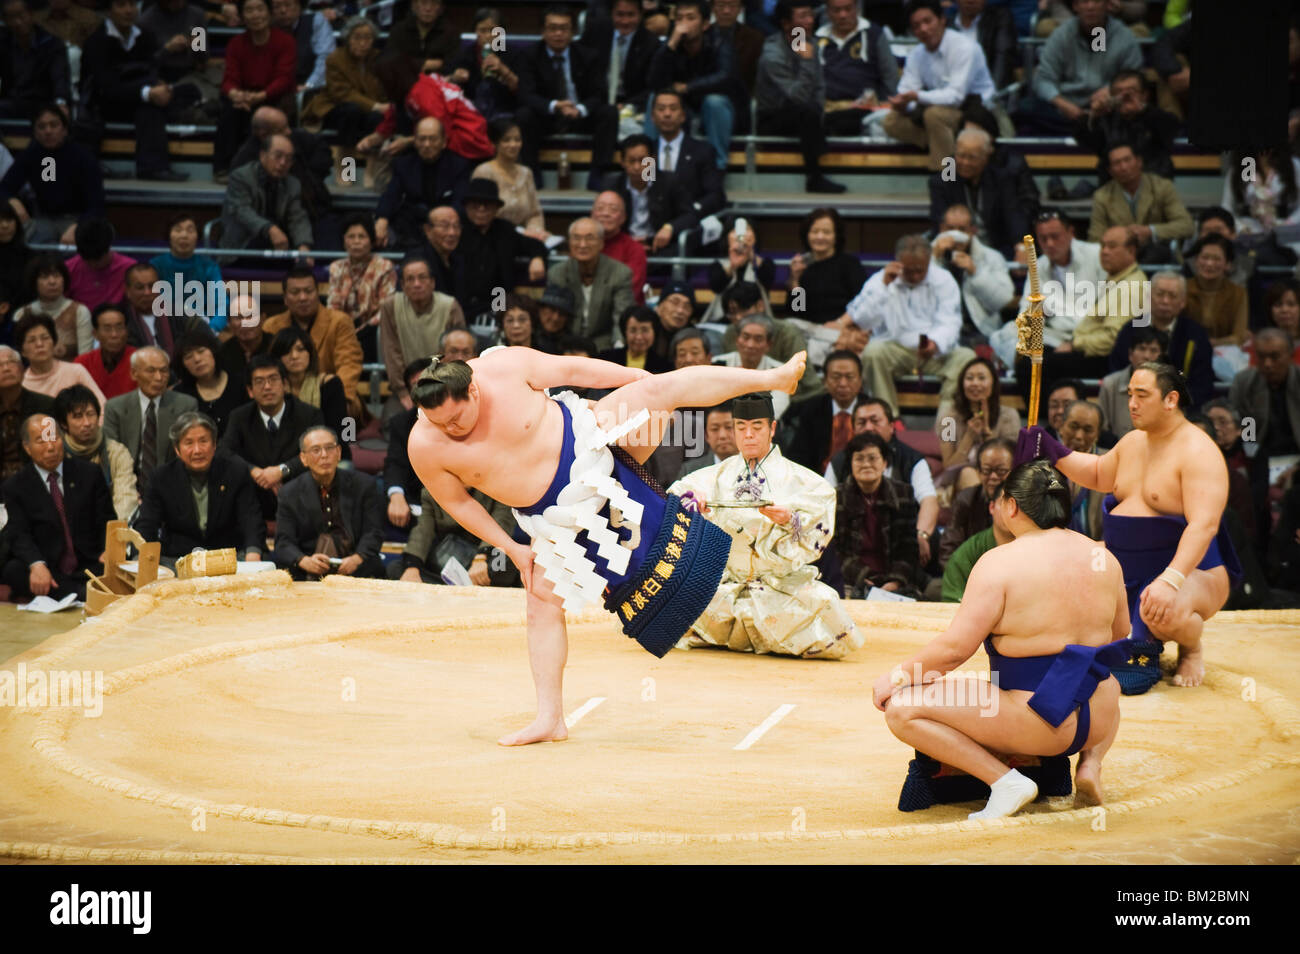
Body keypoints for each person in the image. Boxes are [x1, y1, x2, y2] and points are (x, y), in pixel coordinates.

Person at [408, 346, 807, 744]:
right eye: (437, 421)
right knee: (541, 603)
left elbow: (574, 368)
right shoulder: (424, 444)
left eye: (456, 419)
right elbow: (456, 502)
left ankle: (773, 378)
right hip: (554, 521)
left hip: (598, 446)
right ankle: (550, 718)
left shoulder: (503, 367)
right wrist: (512, 548)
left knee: (659, 388)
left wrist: (628, 377)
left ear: (473, 391)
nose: (449, 429)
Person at [874, 459, 1131, 817]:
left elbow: (954, 650)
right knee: (1101, 675)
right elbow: (1120, 634)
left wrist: (896, 676)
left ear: (1011, 506)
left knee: (903, 708)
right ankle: (1090, 765)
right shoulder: (1103, 557)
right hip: (1099, 718)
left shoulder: (1000, 563)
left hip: (1040, 721)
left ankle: (1006, 782)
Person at [1025, 362, 1243, 692]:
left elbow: (1204, 525)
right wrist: (1055, 452)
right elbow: (1099, 474)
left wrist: (1171, 580)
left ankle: (1190, 646)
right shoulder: (1132, 442)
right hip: (1125, 563)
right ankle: (1130, 640)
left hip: (1191, 571)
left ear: (1170, 400)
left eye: (1142, 395)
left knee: (1164, 610)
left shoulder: (1199, 452)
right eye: (1129, 394)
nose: (1132, 403)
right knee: (1061, 578)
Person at [667, 390, 860, 655]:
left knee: (824, 603)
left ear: (772, 428)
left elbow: (821, 515)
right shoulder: (714, 476)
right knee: (670, 593)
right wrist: (692, 501)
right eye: (741, 427)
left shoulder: (804, 481)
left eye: (756, 427)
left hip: (778, 585)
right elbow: (675, 495)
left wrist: (791, 520)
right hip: (722, 584)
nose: (748, 434)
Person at [834, 234, 976, 416]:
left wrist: (935, 343)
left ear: (929, 261)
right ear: (898, 262)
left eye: (920, 270)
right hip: (897, 349)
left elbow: (951, 321)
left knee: (967, 357)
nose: (915, 276)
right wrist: (884, 287)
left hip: (936, 352)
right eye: (909, 270)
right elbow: (862, 320)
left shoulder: (944, 279)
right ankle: (887, 417)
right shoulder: (881, 280)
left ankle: (947, 418)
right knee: (873, 352)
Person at [1021, 226, 1148, 410]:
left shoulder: (1131, 287)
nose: (1104, 251)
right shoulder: (1117, 279)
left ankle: (1045, 420)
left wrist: (1074, 345)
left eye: (1112, 246)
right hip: (1087, 346)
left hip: (1102, 357)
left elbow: (1114, 339)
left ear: (1131, 250)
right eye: (1103, 246)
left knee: (1031, 365)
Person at [0, 413, 113, 601]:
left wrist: (109, 549)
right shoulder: (15, 486)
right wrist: (36, 564)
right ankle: (82, 593)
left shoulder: (89, 473)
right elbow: (18, 532)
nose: (51, 447)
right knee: (14, 570)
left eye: (54, 438)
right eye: (41, 441)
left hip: (89, 562)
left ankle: (75, 592)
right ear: (27, 447)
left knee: (122, 567)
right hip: (48, 566)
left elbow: (107, 519)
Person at [135, 411, 265, 569]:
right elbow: (147, 524)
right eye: (189, 443)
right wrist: (141, 558)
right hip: (178, 562)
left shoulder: (235, 471)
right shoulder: (160, 478)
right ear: (177, 449)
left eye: (203, 441)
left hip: (227, 560)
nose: (197, 450)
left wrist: (253, 552)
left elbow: (250, 517)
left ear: (214, 444)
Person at [79, 0, 191, 182]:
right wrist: (148, 92)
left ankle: (152, 169)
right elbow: (105, 88)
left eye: (132, 5)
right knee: (150, 102)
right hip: (102, 103)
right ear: (109, 10)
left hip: (140, 97)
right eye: (121, 5)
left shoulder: (145, 36)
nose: (128, 11)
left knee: (182, 93)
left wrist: (159, 86)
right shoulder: (96, 42)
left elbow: (153, 68)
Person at [882, 0, 995, 173]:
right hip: (938, 113)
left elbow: (956, 97)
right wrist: (904, 104)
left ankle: (946, 177)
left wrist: (917, 97)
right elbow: (906, 91)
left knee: (934, 116)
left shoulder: (964, 47)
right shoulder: (917, 55)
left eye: (928, 21)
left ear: (942, 19)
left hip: (977, 112)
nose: (923, 29)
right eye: (917, 26)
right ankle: (945, 146)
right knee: (891, 120)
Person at [514, 4, 618, 189]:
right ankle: (532, 175)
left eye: (564, 28)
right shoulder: (529, 55)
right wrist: (554, 106)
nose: (558, 34)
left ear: (572, 32)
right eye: (553, 28)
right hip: (547, 116)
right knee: (524, 115)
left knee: (609, 113)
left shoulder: (588, 55)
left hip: (579, 115)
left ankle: (598, 174)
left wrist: (580, 109)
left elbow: (599, 94)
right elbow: (526, 94)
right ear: (543, 31)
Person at [990, 209, 1103, 371]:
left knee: (1030, 358)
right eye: (1043, 239)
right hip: (1054, 334)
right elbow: (1025, 313)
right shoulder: (1038, 266)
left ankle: (1013, 364)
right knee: (1002, 335)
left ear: (1071, 233)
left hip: (1088, 333)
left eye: (1055, 237)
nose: (1049, 244)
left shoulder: (1096, 255)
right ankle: (1015, 362)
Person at [219, 353, 325, 520]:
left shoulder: (308, 414)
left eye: (273, 379)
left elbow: (318, 451)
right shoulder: (239, 417)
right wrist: (255, 472)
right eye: (259, 382)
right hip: (255, 495)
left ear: (284, 385)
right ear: (250, 391)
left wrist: (281, 471)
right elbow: (224, 452)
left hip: (298, 494)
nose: (267, 387)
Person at [646, 0, 747, 173]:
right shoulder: (672, 45)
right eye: (679, 19)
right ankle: (649, 168)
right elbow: (653, 82)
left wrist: (687, 87)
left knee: (714, 102)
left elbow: (726, 77)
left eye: (690, 18)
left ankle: (717, 168)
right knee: (655, 100)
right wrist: (671, 44)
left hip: (716, 110)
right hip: (685, 107)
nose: (683, 24)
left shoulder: (721, 43)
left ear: (705, 24)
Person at [755, 1, 845, 194]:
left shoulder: (806, 41)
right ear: (787, 23)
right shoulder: (773, 53)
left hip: (805, 113)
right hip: (772, 117)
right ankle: (814, 178)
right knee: (806, 112)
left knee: (844, 116)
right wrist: (806, 61)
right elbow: (798, 96)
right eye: (803, 16)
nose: (810, 21)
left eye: (811, 15)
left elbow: (819, 86)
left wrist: (820, 112)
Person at [275, 425, 384, 579]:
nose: (324, 455)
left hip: (355, 566)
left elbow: (374, 532)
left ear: (339, 453)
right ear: (303, 459)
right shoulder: (289, 492)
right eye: (316, 450)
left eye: (329, 448)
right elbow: (283, 542)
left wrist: (357, 558)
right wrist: (303, 560)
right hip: (309, 568)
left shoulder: (364, 485)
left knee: (374, 566)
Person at [1021, 0, 1142, 135]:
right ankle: (1086, 131)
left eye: (1096, 2)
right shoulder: (1062, 35)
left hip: (1106, 109)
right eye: (1084, 2)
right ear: (1075, 6)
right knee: (1027, 107)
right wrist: (1063, 104)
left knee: (1132, 113)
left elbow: (1134, 77)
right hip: (1067, 108)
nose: (1090, 7)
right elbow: (1043, 78)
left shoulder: (1123, 36)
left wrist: (1112, 89)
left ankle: (1087, 131)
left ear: (1107, 5)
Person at [263, 264, 364, 418]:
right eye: (295, 292)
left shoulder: (339, 321)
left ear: (318, 293)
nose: (303, 297)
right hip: (284, 393)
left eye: (308, 291)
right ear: (285, 298)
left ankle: (345, 440)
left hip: (328, 391)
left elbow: (349, 363)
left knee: (345, 414)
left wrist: (335, 394)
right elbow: (267, 366)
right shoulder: (272, 326)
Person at [212, 0, 296, 181]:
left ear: (269, 13)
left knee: (265, 116)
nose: (255, 15)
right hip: (245, 95)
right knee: (230, 110)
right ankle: (223, 169)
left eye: (260, 9)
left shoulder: (285, 41)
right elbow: (229, 79)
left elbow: (284, 78)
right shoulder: (236, 43)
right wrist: (235, 94)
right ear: (242, 17)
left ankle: (260, 170)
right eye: (249, 10)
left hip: (273, 95)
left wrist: (260, 96)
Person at [834, 430, 923, 598]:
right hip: (851, 579)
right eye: (859, 458)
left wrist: (895, 581)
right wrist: (863, 579)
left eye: (873, 458)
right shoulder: (836, 497)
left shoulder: (903, 494)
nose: (866, 464)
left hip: (894, 579)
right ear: (851, 464)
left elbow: (909, 548)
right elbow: (835, 551)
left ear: (885, 463)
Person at [1108, 273, 1214, 410]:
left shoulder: (1196, 335)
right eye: (1160, 294)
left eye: (1172, 296)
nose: (1165, 301)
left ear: (1183, 302)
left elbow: (1202, 383)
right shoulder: (1131, 329)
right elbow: (1117, 369)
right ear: (1148, 297)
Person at [0, 106, 103, 245]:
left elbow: (96, 205)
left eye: (53, 125)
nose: (47, 131)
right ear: (35, 132)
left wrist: (80, 225)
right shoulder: (30, 155)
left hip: (76, 219)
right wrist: (12, 200)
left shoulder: (83, 158)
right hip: (42, 220)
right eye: (41, 127)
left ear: (64, 129)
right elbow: (5, 187)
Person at [101, 346, 197, 497]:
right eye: (151, 371)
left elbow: (186, 454)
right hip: (127, 484)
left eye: (164, 370)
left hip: (172, 485)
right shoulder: (116, 407)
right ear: (134, 373)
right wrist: (129, 491)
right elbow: (111, 454)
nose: (159, 378)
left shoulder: (185, 405)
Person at [378, 257, 466, 411]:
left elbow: (460, 353)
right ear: (403, 285)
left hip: (445, 386)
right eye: (410, 279)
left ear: (432, 282)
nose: (416, 284)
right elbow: (391, 351)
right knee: (394, 420)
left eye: (422, 277)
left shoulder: (450, 305)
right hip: (405, 388)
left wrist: (447, 389)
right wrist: (403, 392)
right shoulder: (390, 306)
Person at [928, 128, 1028, 259]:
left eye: (972, 157)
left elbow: (1013, 215)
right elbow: (939, 219)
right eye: (961, 155)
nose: (965, 162)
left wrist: (1021, 245)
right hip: (957, 246)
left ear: (986, 157)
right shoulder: (945, 179)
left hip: (995, 247)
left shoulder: (1002, 178)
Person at [374, 116, 472, 249]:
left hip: (447, 224)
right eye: (422, 139)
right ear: (415, 142)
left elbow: (460, 202)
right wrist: (382, 219)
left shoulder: (459, 165)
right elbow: (391, 194)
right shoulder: (404, 164)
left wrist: (440, 223)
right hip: (413, 224)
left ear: (443, 142)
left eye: (432, 139)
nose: (426, 144)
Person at [1087, 143, 1193, 265]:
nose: (1123, 167)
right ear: (1110, 170)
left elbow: (1186, 226)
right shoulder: (1102, 196)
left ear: (1139, 161)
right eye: (1117, 163)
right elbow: (1095, 239)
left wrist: (1150, 231)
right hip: (1121, 261)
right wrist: (1123, 237)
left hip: (1160, 259)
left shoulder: (1162, 187)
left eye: (1127, 160)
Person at [458, 178, 548, 318]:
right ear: (466, 207)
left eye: (487, 205)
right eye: (476, 205)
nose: (481, 209)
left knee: (504, 317)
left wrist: (537, 258)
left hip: (497, 299)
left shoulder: (505, 230)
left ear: (496, 209)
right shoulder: (456, 231)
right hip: (463, 303)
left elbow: (534, 245)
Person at [395, 486, 517, 585]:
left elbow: (502, 525)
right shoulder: (432, 491)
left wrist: (481, 557)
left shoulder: (497, 486)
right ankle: (454, 587)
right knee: (397, 568)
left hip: (490, 551)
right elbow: (422, 531)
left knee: (501, 566)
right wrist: (413, 567)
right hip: (450, 559)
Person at [301, 16, 386, 158]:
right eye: (357, 38)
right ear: (347, 38)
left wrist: (380, 107)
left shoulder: (379, 58)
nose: (363, 43)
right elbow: (342, 94)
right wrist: (375, 105)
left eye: (368, 38)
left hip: (369, 107)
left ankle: (370, 164)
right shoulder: (335, 58)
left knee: (376, 117)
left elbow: (382, 91)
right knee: (352, 111)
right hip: (336, 107)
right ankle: (347, 165)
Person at [644, 89, 728, 232]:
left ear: (683, 116)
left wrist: (690, 213)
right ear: (652, 117)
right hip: (654, 228)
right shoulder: (648, 153)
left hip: (691, 226)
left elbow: (715, 195)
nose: (667, 114)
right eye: (661, 109)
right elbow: (647, 188)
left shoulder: (702, 151)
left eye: (673, 108)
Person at [545, 218, 635, 351]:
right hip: (567, 346)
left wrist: (618, 347)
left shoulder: (620, 273)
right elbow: (554, 319)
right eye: (576, 238)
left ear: (601, 243)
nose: (582, 244)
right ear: (569, 242)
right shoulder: (557, 273)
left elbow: (620, 318)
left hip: (604, 346)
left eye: (589, 238)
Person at [1076, 69, 1179, 184]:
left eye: (1131, 91)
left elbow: (1171, 130)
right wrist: (1094, 114)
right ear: (1111, 95)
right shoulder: (1104, 120)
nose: (1125, 96)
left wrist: (1143, 111)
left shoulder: (1157, 117)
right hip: (1114, 189)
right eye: (1119, 92)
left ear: (1144, 95)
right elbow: (1085, 140)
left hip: (1155, 185)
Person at [930, 202, 1014, 343]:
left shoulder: (992, 257)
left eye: (962, 230)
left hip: (980, 332)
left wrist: (975, 273)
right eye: (950, 229)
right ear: (941, 229)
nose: (955, 235)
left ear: (972, 231)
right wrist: (934, 260)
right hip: (937, 331)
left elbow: (1003, 301)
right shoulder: (925, 257)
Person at [54, 383, 137, 521]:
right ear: (63, 423)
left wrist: (111, 532)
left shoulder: (116, 452)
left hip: (109, 527)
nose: (87, 423)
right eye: (78, 416)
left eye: (90, 414)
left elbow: (126, 499)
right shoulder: (55, 455)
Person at [220, 134, 314, 254]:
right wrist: (270, 229)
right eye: (278, 156)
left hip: (277, 244)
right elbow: (242, 211)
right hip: (242, 243)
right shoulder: (241, 177)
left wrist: (304, 244)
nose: (283, 163)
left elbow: (297, 217)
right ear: (262, 155)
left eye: (289, 159)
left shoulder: (292, 184)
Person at [936, 356, 1021, 491]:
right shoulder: (948, 419)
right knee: (968, 473)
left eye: (981, 378)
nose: (975, 383)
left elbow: (1010, 463)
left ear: (993, 383)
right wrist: (969, 436)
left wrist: (987, 433)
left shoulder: (1009, 416)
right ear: (962, 383)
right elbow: (949, 466)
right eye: (969, 378)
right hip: (956, 482)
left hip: (999, 480)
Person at [816, 0, 899, 135]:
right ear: (827, 12)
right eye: (836, 10)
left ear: (857, 8)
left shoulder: (874, 33)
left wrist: (887, 106)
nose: (842, 15)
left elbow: (890, 74)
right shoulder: (817, 37)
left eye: (848, 9)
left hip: (864, 109)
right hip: (827, 108)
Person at [603, 133, 697, 250]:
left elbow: (690, 215)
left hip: (660, 246)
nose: (637, 167)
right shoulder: (613, 185)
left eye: (643, 160)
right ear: (622, 162)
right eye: (631, 161)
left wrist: (669, 228)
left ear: (653, 159)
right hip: (623, 246)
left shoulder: (669, 182)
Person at [268, 326, 350, 460]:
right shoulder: (271, 389)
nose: (294, 356)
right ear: (277, 357)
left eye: (300, 349)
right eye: (287, 351)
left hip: (327, 457)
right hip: (283, 460)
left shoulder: (329, 384)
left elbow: (341, 431)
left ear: (310, 353)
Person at [326, 213, 397, 364]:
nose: (356, 242)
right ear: (344, 242)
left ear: (371, 241)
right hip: (344, 329)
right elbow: (333, 306)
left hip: (372, 330)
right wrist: (345, 330)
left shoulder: (385, 267)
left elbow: (386, 309)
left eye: (361, 236)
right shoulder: (336, 267)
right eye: (351, 237)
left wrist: (360, 332)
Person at [1228, 329, 1300, 475]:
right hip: (1259, 458)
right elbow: (1244, 428)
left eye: (1275, 357)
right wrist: (1251, 460)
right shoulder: (1244, 384)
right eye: (1261, 357)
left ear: (1290, 355)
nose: (1267, 364)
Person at [937, 435, 1013, 570]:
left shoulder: (1025, 504)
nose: (993, 477)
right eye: (986, 471)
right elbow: (948, 551)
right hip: (970, 575)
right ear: (978, 472)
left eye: (1001, 471)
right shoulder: (966, 499)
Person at [786, 207, 867, 327]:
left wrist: (839, 324)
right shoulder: (802, 267)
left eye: (826, 232)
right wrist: (795, 281)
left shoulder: (850, 264)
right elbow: (798, 312)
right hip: (809, 330)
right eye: (814, 231)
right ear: (807, 235)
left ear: (836, 236)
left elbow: (862, 304)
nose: (820, 237)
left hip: (841, 330)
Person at [148, 214, 228, 333]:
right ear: (169, 235)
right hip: (163, 327)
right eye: (178, 230)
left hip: (200, 326)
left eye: (190, 230)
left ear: (197, 236)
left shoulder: (209, 267)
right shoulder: (155, 266)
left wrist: (212, 329)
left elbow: (221, 304)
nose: (184, 235)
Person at [578, 0, 659, 112]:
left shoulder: (651, 44)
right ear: (611, 13)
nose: (625, 21)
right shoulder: (596, 31)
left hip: (632, 104)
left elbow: (652, 86)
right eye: (620, 14)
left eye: (631, 15)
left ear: (641, 15)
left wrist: (629, 105)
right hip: (596, 101)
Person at [472, 117, 547, 237]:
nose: (513, 145)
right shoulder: (484, 172)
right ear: (495, 143)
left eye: (517, 140)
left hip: (524, 238)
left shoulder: (526, 173)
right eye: (506, 140)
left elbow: (535, 213)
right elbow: (479, 215)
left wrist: (535, 231)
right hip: (493, 239)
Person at [0, 0, 72, 121]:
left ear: (31, 15)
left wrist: (61, 102)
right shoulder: (3, 42)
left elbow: (59, 78)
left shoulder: (52, 44)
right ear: (5, 21)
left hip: (41, 103)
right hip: (10, 102)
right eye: (11, 18)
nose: (17, 22)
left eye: (21, 16)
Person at [14, 312, 105, 406]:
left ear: (54, 343)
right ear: (22, 351)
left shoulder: (75, 371)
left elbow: (102, 406)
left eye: (45, 338)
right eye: (32, 340)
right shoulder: (22, 384)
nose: (39, 344)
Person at [446, 7, 521, 122]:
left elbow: (523, 90)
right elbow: (444, 83)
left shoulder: (513, 53)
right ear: (475, 32)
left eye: (492, 30)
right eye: (482, 30)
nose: (487, 36)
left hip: (506, 111)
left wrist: (504, 70)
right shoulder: (464, 55)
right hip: (471, 111)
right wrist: (454, 78)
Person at [14, 254, 92, 359]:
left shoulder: (80, 312)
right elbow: (18, 357)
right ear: (34, 282)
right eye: (44, 277)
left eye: (57, 276)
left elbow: (85, 357)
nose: (52, 282)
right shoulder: (21, 314)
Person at [174, 331, 246, 437]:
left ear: (213, 352)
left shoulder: (241, 383)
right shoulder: (180, 395)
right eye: (188, 356)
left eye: (201, 351)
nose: (197, 359)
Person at [0, 345, 55, 480]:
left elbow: (51, 451)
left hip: (36, 482)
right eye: (0, 365)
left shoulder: (46, 405)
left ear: (22, 369)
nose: (6, 368)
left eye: (11, 362)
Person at [1184, 235, 1249, 349]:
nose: (1209, 264)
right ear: (1196, 261)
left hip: (1225, 353)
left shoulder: (1238, 293)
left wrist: (1212, 343)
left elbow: (1238, 336)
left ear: (1228, 264)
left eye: (1216, 259)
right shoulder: (1183, 289)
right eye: (1205, 257)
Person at [703, 224, 776, 323]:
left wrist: (751, 255)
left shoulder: (764, 262)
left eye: (747, 229)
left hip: (757, 321)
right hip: (724, 319)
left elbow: (767, 280)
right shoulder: (719, 264)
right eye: (735, 230)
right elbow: (716, 286)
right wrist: (732, 265)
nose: (741, 236)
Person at [1098, 326, 1163, 438]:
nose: (1147, 356)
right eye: (1142, 349)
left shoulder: (1169, 387)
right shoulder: (1110, 384)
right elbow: (1102, 428)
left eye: (1153, 350)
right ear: (1131, 354)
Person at [65, 218, 136, 314]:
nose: (94, 264)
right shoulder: (68, 269)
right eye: (88, 259)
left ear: (109, 247)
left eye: (98, 259)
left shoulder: (131, 269)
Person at [1059, 399, 1105, 539]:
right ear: (1061, 427)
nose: (1079, 436)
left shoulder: (1108, 464)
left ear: (1097, 434)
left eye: (1088, 430)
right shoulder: (1043, 463)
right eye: (1073, 426)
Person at [590, 191, 646, 301]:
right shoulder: (583, 246)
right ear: (591, 214)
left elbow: (629, 289)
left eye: (613, 209)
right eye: (600, 208)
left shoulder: (634, 249)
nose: (606, 214)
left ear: (623, 217)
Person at [270, 0, 334, 95]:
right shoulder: (266, 27)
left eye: (288, 5)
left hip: (311, 86)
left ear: (299, 6)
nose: (283, 10)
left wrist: (309, 85)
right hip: (275, 88)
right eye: (276, 6)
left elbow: (325, 57)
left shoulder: (315, 21)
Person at [74, 304, 136, 400]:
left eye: (119, 328)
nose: (114, 334)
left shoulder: (140, 360)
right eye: (107, 329)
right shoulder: (83, 363)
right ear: (95, 334)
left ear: (127, 331)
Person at [383, 0, 458, 76]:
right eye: (423, 2)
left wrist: (410, 64)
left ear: (441, 8)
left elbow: (452, 65)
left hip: (437, 82)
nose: (428, 9)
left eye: (434, 3)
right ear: (413, 6)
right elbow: (391, 62)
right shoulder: (399, 30)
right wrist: (429, 64)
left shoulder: (450, 33)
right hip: (403, 80)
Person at [600, 305, 672, 374]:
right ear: (625, 332)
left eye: (645, 330)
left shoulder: (664, 368)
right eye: (633, 330)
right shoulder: (606, 360)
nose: (639, 337)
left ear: (654, 332)